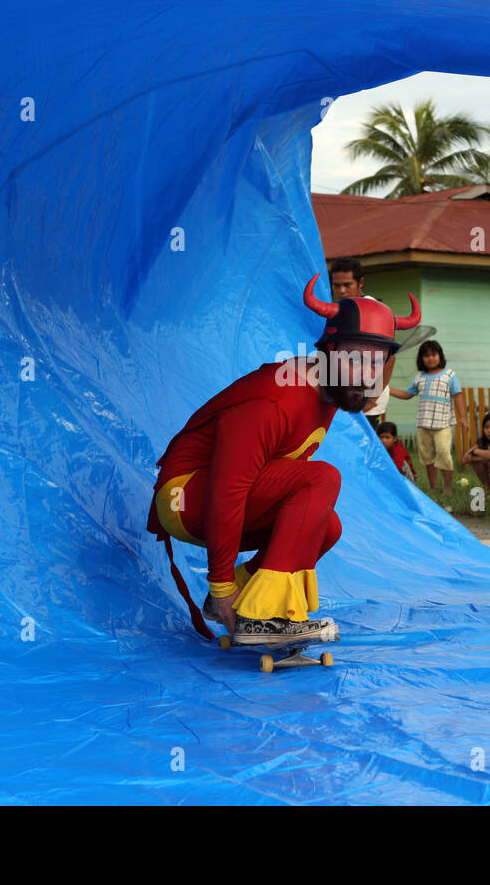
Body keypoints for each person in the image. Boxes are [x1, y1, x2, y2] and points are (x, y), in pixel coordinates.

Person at [145, 274, 420, 643]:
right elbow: (229, 488)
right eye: (355, 359)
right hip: (186, 497)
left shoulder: (333, 383)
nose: (366, 375)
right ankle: (262, 614)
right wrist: (222, 582)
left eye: (376, 363)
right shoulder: (277, 399)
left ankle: (245, 594)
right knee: (320, 479)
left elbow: (370, 393)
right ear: (328, 351)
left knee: (326, 526)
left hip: (224, 493)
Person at [389, 340, 470, 502]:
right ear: (421, 359)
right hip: (424, 424)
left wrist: (462, 417)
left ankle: (448, 489)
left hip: (443, 425)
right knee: (427, 457)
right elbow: (407, 394)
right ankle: (433, 488)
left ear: (440, 356)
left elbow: (457, 396)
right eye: (426, 356)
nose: (430, 358)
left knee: (444, 454)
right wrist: (387, 389)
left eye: (434, 354)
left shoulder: (450, 375)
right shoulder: (420, 378)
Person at [328, 257, 396, 429]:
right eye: (336, 285)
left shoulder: (374, 311)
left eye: (347, 284)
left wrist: (372, 399)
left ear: (361, 282)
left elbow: (389, 358)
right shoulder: (338, 310)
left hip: (365, 400)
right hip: (343, 396)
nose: (341, 291)